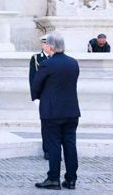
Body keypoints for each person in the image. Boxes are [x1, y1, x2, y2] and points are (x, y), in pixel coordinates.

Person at [32, 32, 81, 190]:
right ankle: (71, 179)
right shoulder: (73, 63)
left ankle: (53, 178)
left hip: (51, 111)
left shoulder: (47, 64)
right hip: (72, 111)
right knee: (70, 145)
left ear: (51, 46)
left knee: (54, 146)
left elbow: (36, 85)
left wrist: (40, 96)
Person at [29, 35, 52, 160]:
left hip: (55, 96)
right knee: (46, 124)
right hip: (43, 96)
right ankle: (47, 150)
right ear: (42, 45)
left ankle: (55, 149)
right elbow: (32, 78)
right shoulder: (36, 58)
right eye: (46, 44)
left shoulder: (56, 58)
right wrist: (35, 97)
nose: (48, 46)